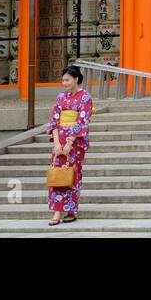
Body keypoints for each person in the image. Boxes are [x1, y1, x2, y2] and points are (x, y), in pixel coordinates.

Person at [47, 64, 93, 226]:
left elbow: (82, 120)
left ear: (76, 79)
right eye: (63, 80)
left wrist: (70, 142)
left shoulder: (85, 98)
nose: (64, 83)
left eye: (67, 80)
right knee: (57, 173)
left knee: (72, 174)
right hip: (59, 140)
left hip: (75, 142)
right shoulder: (61, 97)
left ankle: (71, 210)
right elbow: (54, 121)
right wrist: (57, 143)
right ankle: (57, 211)